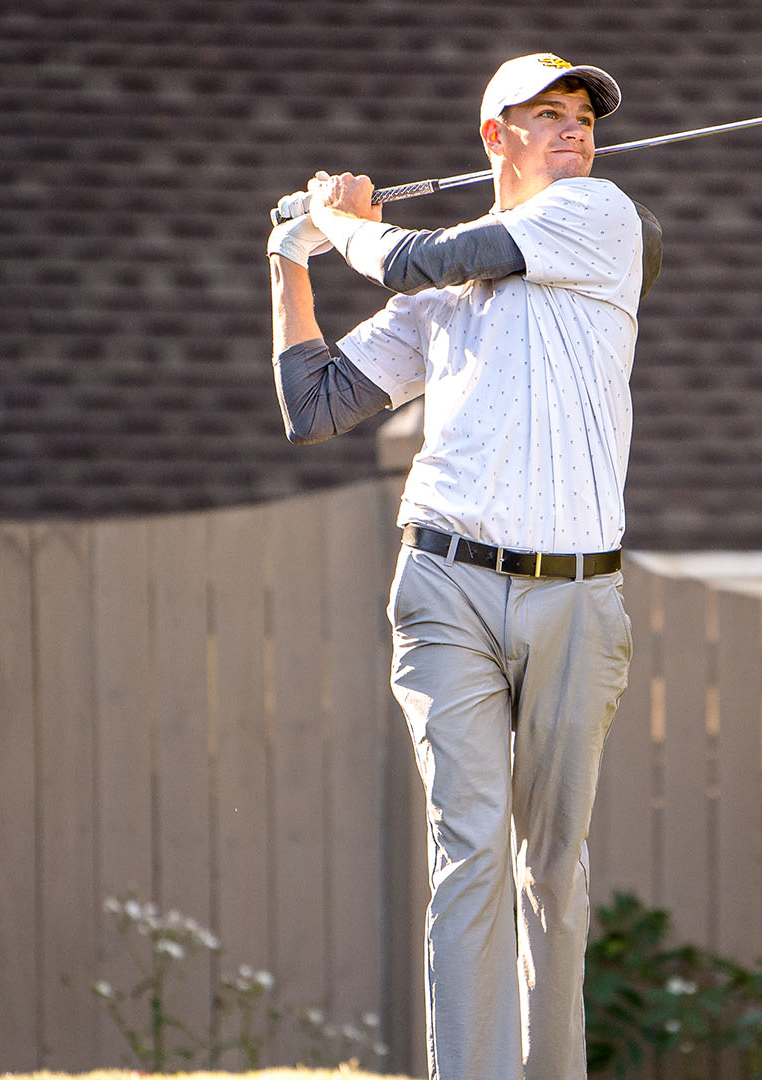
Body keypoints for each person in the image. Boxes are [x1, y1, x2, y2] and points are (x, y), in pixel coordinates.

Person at [263, 53, 659, 1080]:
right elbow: (318, 405)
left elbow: (416, 259)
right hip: (445, 583)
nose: (576, 132)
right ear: (497, 137)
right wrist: (290, 258)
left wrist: (341, 221)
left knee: (554, 868)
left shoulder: (600, 217)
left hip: (578, 592)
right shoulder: (446, 290)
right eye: (549, 117)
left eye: (584, 117)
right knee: (470, 851)